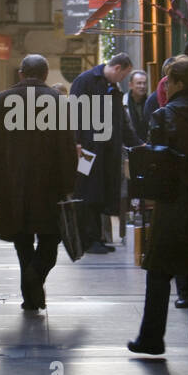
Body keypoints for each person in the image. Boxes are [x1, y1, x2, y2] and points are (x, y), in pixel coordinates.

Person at [128, 56, 188, 362]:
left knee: (158, 273)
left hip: (172, 209)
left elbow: (157, 167)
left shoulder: (162, 116)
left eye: (169, 80)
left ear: (180, 83)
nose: (165, 85)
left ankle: (152, 338)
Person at [0, 55, 77, 311]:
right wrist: (70, 183)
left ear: (21, 73)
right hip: (48, 185)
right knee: (50, 240)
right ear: (45, 75)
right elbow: (66, 147)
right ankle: (33, 284)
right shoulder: (57, 102)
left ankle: (30, 291)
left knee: (22, 240)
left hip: (10, 183)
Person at [70, 52, 134, 253]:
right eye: (123, 75)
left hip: (106, 152)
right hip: (87, 149)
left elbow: (120, 121)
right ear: (117, 68)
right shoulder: (85, 81)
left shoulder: (112, 86)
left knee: (99, 193)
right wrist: (76, 143)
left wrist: (137, 143)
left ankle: (96, 237)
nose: (123, 79)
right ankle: (87, 240)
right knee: (87, 192)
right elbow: (74, 113)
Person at [125, 70, 150, 144]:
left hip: (147, 146)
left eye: (144, 83)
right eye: (139, 83)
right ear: (130, 85)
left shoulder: (151, 103)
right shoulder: (122, 103)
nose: (142, 86)